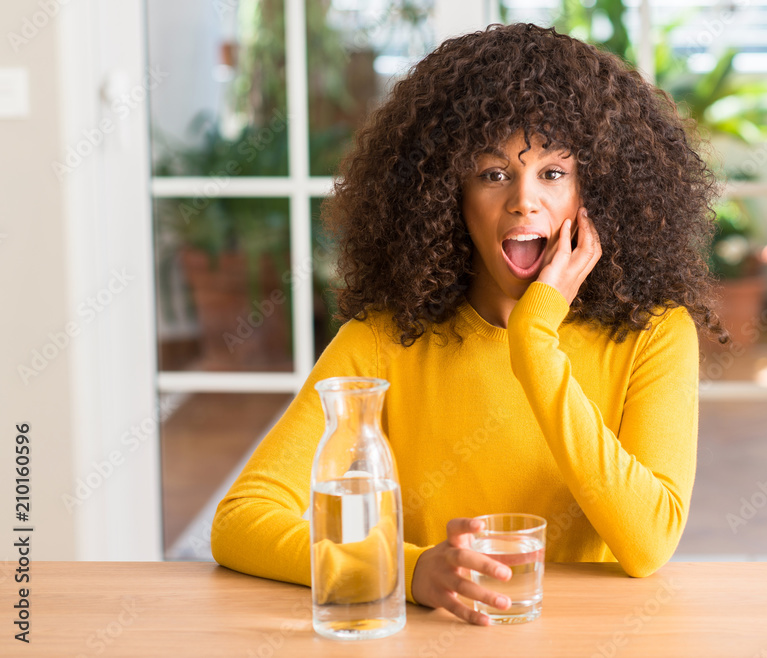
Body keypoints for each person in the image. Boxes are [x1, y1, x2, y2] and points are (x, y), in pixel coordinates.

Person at [211, 22, 727, 626]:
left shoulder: (655, 334)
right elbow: (243, 518)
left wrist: (535, 338)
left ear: (599, 191)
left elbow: (648, 543)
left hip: (592, 637)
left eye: (552, 174)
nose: (523, 202)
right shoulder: (386, 337)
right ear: (445, 195)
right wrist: (406, 570)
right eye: (493, 173)